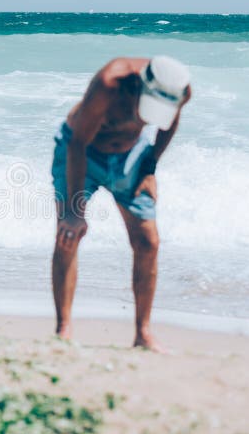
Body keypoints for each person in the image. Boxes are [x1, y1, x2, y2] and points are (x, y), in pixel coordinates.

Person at [50, 55, 191, 351]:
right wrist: (74, 212)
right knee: (69, 233)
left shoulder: (180, 89)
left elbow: (169, 124)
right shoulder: (110, 84)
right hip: (82, 151)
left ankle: (143, 334)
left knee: (148, 241)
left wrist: (150, 168)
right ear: (142, 84)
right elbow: (77, 143)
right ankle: (63, 328)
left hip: (131, 155)